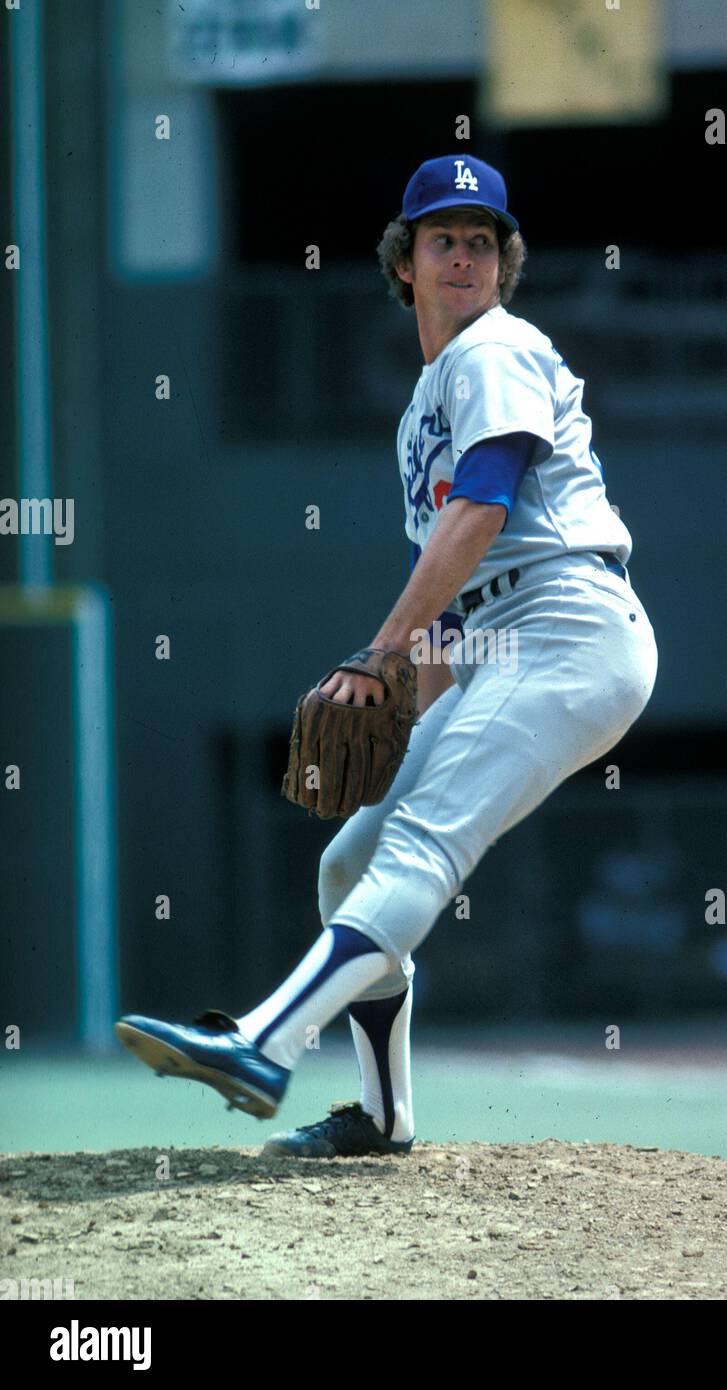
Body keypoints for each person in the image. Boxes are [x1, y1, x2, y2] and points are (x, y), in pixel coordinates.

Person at [115, 154, 658, 1160]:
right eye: (444, 238)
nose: (465, 256)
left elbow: (485, 508)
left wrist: (378, 650)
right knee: (353, 857)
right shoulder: (425, 401)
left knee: (419, 848)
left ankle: (262, 1042)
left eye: (483, 241)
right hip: (504, 639)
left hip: (568, 625)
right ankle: (381, 1114)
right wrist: (409, 701)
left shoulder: (494, 347)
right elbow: (454, 601)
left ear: (503, 264)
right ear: (403, 262)